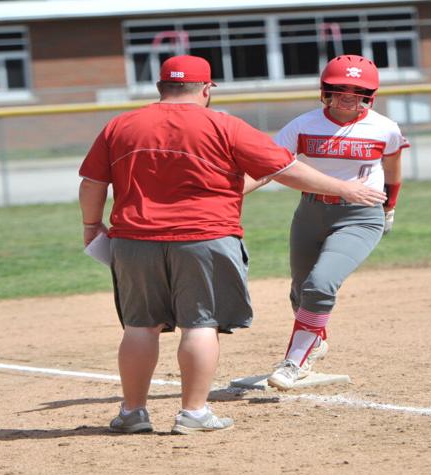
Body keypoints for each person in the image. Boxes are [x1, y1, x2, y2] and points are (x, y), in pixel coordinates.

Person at [78, 55, 386, 434]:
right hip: (206, 237)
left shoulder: (121, 125)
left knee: (140, 326)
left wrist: (92, 224)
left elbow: (93, 182)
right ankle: (192, 414)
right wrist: (345, 188)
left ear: (161, 87)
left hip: (134, 238)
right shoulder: (223, 124)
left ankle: (132, 413)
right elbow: (284, 169)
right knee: (200, 324)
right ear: (206, 89)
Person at [245, 55, 407, 390]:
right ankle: (314, 342)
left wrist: (389, 207)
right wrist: (227, 194)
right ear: (325, 90)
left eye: (358, 89)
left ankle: (293, 363)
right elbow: (268, 167)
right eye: (340, 87)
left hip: (360, 216)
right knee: (300, 291)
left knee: (319, 285)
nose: (348, 95)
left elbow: (392, 169)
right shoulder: (303, 125)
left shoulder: (384, 128)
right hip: (310, 212)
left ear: (370, 94)